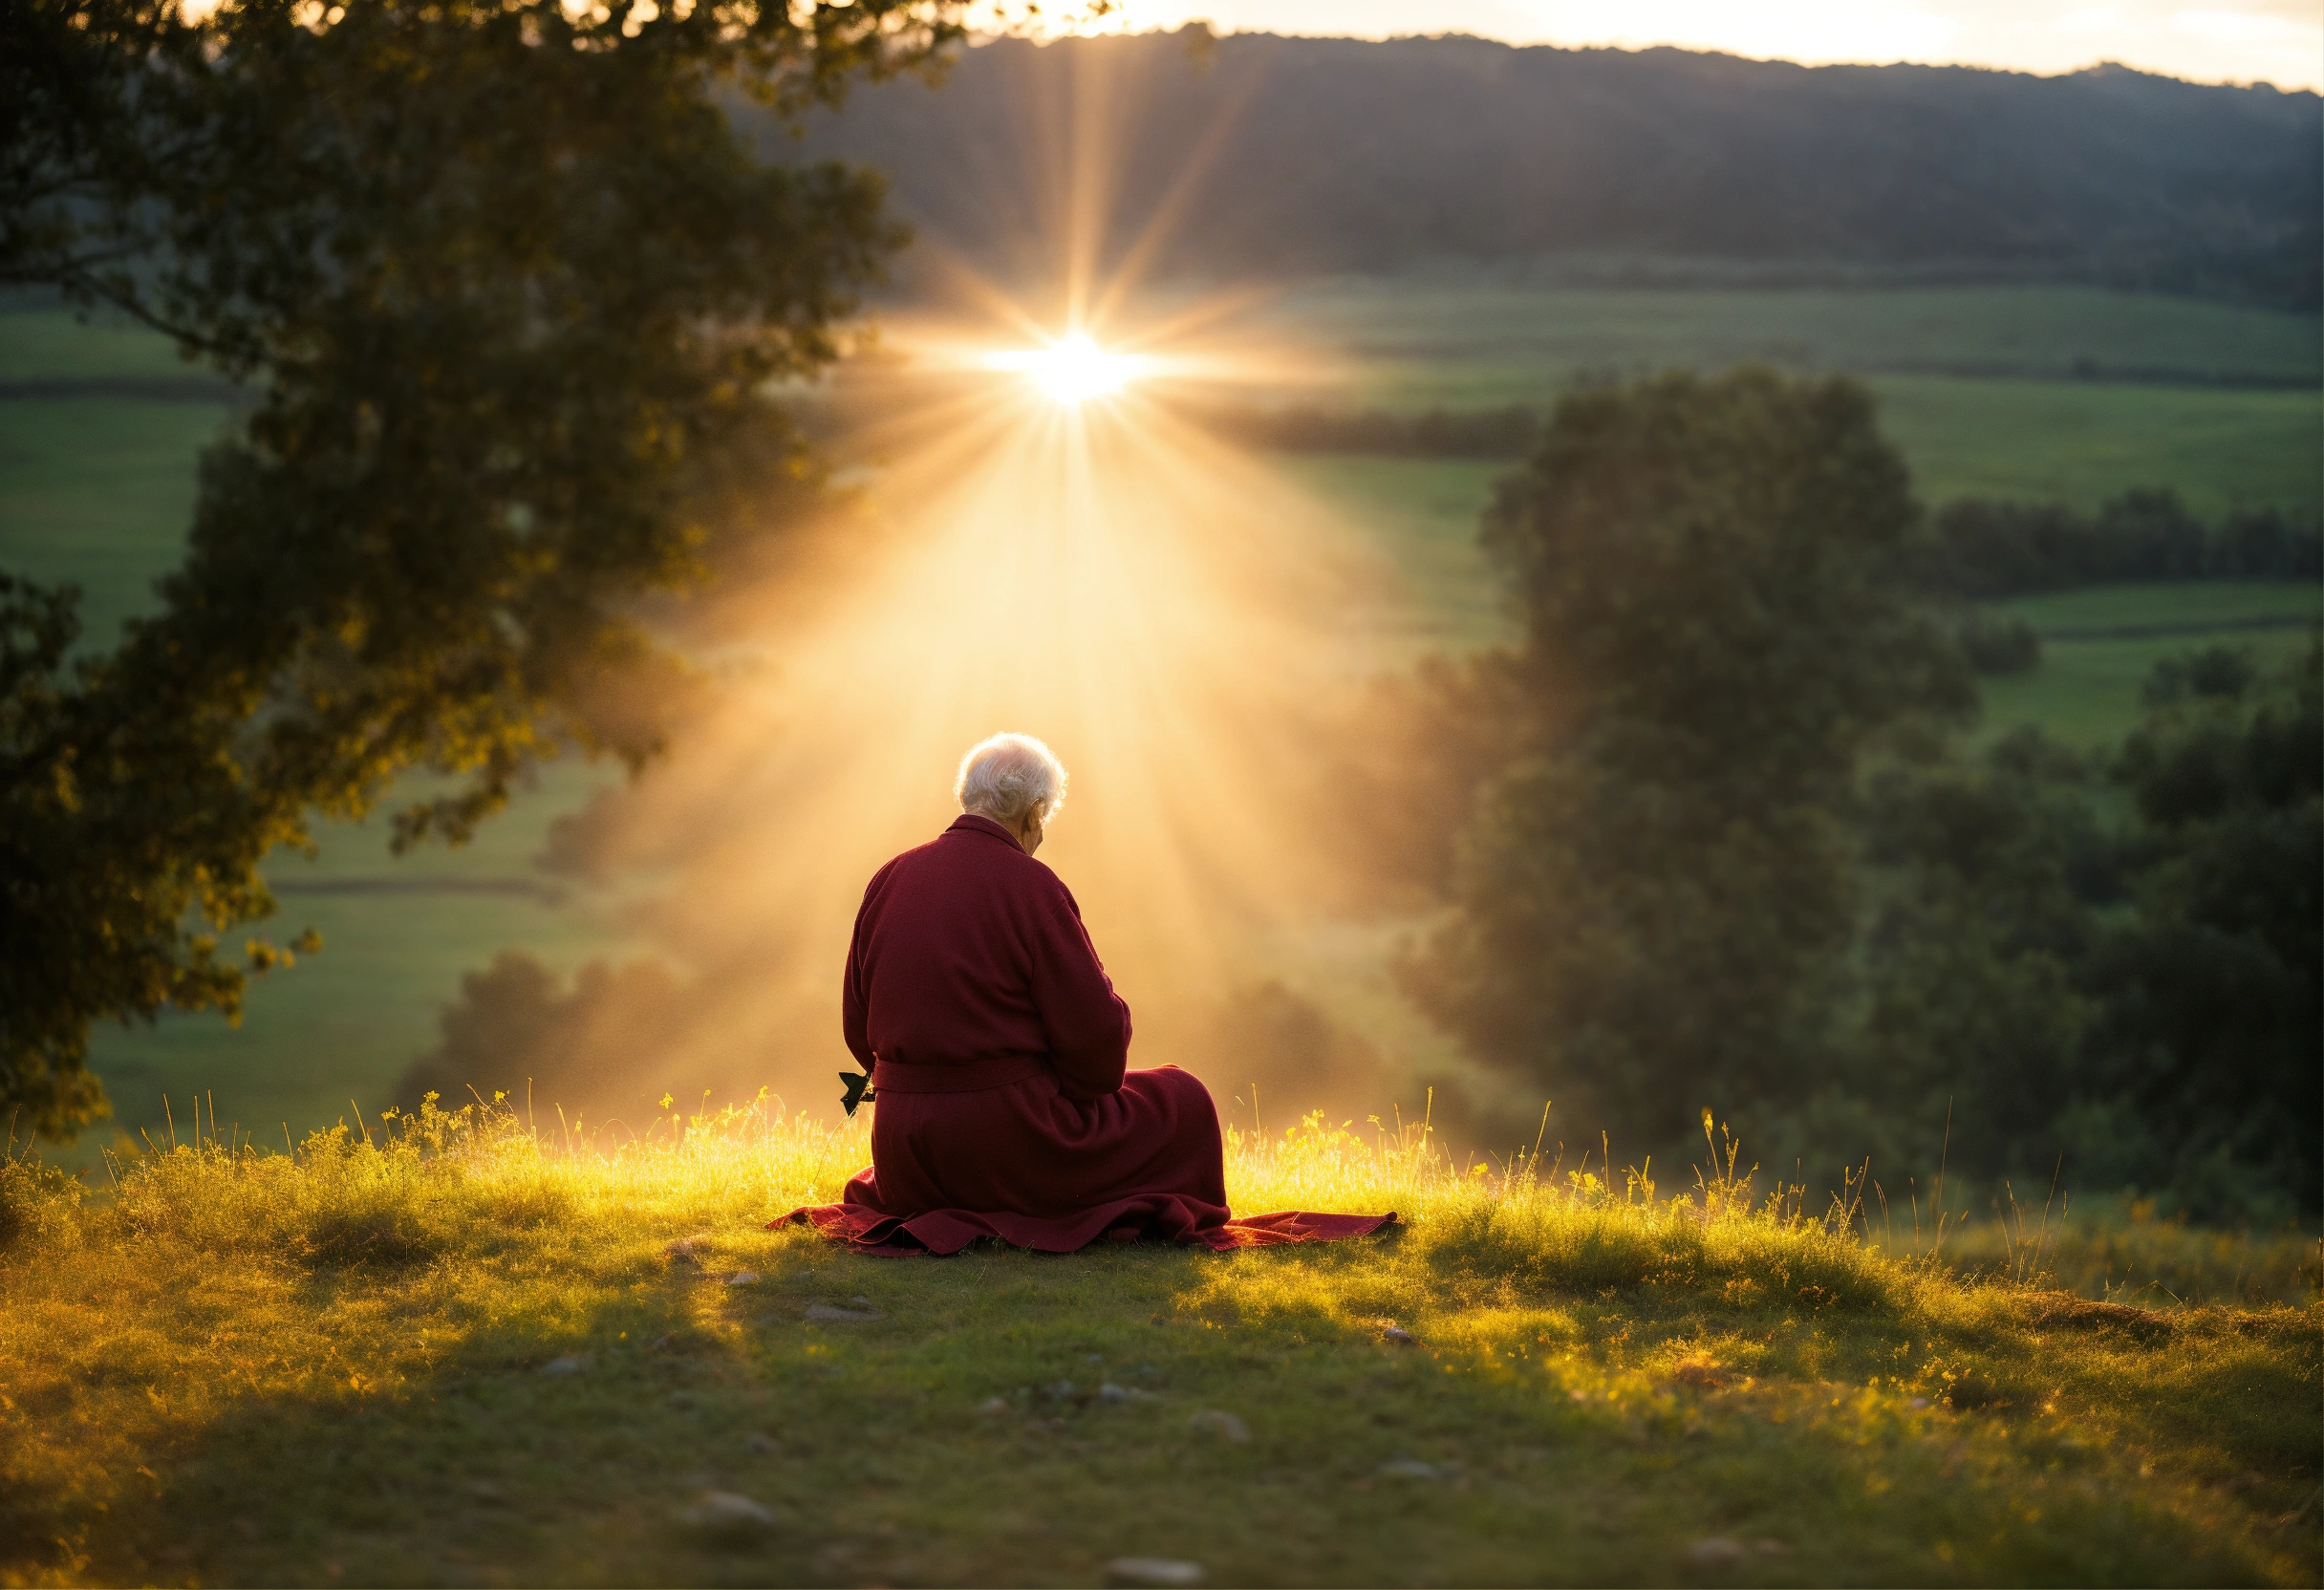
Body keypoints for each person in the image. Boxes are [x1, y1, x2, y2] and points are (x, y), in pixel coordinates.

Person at [777, 732, 1395, 1255]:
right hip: (1006, 1143)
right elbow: (1097, 1044)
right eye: (1042, 823)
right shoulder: (1032, 886)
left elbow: (859, 1033)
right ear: (1032, 815)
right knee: (1182, 1099)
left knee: (1145, 1101)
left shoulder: (890, 876)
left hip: (905, 1154)